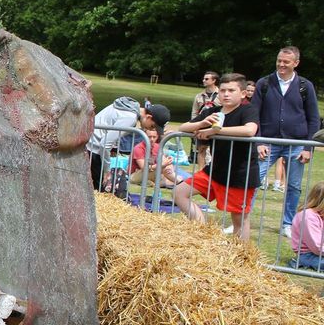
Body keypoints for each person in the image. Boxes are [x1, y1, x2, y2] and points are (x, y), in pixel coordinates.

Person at [174, 73, 260, 240]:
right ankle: (205, 234)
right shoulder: (211, 111)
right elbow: (183, 127)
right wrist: (202, 123)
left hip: (241, 174)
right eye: (223, 90)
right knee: (180, 192)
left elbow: (249, 130)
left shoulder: (247, 110)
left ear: (242, 93)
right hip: (214, 170)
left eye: (231, 90)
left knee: (239, 218)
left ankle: (241, 258)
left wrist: (215, 131)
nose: (226, 94)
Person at [251, 47, 320, 237]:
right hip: (267, 142)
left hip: (296, 144)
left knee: (294, 186)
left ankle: (287, 224)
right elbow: (254, 114)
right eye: (279, 60)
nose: (281, 64)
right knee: (254, 180)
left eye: (286, 62)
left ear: (295, 63)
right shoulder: (264, 83)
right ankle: (242, 218)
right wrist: (259, 142)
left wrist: (308, 148)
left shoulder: (305, 86)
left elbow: (314, 118)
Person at [129, 126, 179, 190]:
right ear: (144, 137)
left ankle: (175, 182)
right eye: (149, 137)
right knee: (166, 172)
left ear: (157, 137)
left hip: (152, 172)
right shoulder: (138, 148)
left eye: (154, 137)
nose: (152, 139)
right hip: (136, 175)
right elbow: (144, 168)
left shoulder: (157, 147)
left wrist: (168, 162)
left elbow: (163, 161)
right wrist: (162, 165)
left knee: (168, 168)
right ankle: (179, 183)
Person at [289, 182, 324, 271]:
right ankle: (299, 262)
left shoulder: (320, 214)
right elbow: (317, 247)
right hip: (309, 255)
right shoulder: (308, 216)